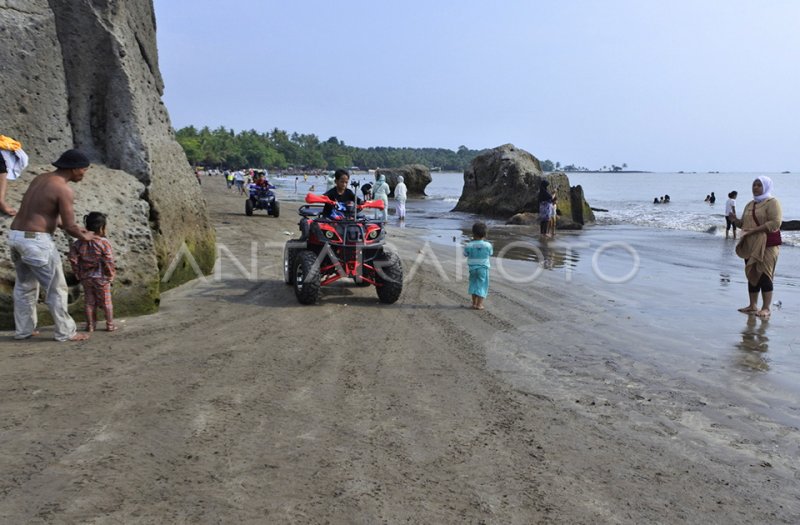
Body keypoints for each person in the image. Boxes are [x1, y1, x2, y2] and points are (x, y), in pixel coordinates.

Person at [7, 149, 95, 341]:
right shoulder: (63, 189)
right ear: (75, 169)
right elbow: (70, 226)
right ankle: (66, 332)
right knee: (56, 288)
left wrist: (76, 229)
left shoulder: (41, 179)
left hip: (16, 236)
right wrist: (86, 237)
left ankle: (24, 331)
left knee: (24, 286)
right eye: (84, 170)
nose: (84, 174)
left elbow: (45, 213)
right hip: (37, 242)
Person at [729, 177, 782, 320]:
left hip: (767, 244)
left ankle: (766, 308)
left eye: (759, 185)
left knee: (765, 274)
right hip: (750, 245)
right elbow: (745, 225)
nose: (756, 187)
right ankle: (752, 305)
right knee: (752, 273)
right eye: (754, 185)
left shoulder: (772, 203)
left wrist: (753, 231)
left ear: (766, 187)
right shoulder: (750, 204)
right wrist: (735, 220)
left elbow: (775, 223)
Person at [68, 212, 117, 332]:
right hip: (101, 277)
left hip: (86, 277)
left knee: (89, 302)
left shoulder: (78, 243)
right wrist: (111, 274)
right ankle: (109, 325)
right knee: (106, 301)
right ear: (102, 228)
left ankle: (90, 325)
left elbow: (73, 259)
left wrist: (77, 273)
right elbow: (109, 260)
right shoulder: (104, 243)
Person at [463, 221, 493, 310]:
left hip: (472, 268)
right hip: (483, 268)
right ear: (485, 234)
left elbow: (465, 254)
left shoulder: (469, 245)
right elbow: (490, 253)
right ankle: (479, 304)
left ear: (473, 233)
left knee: (473, 283)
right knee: (482, 285)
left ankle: (474, 303)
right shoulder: (488, 245)